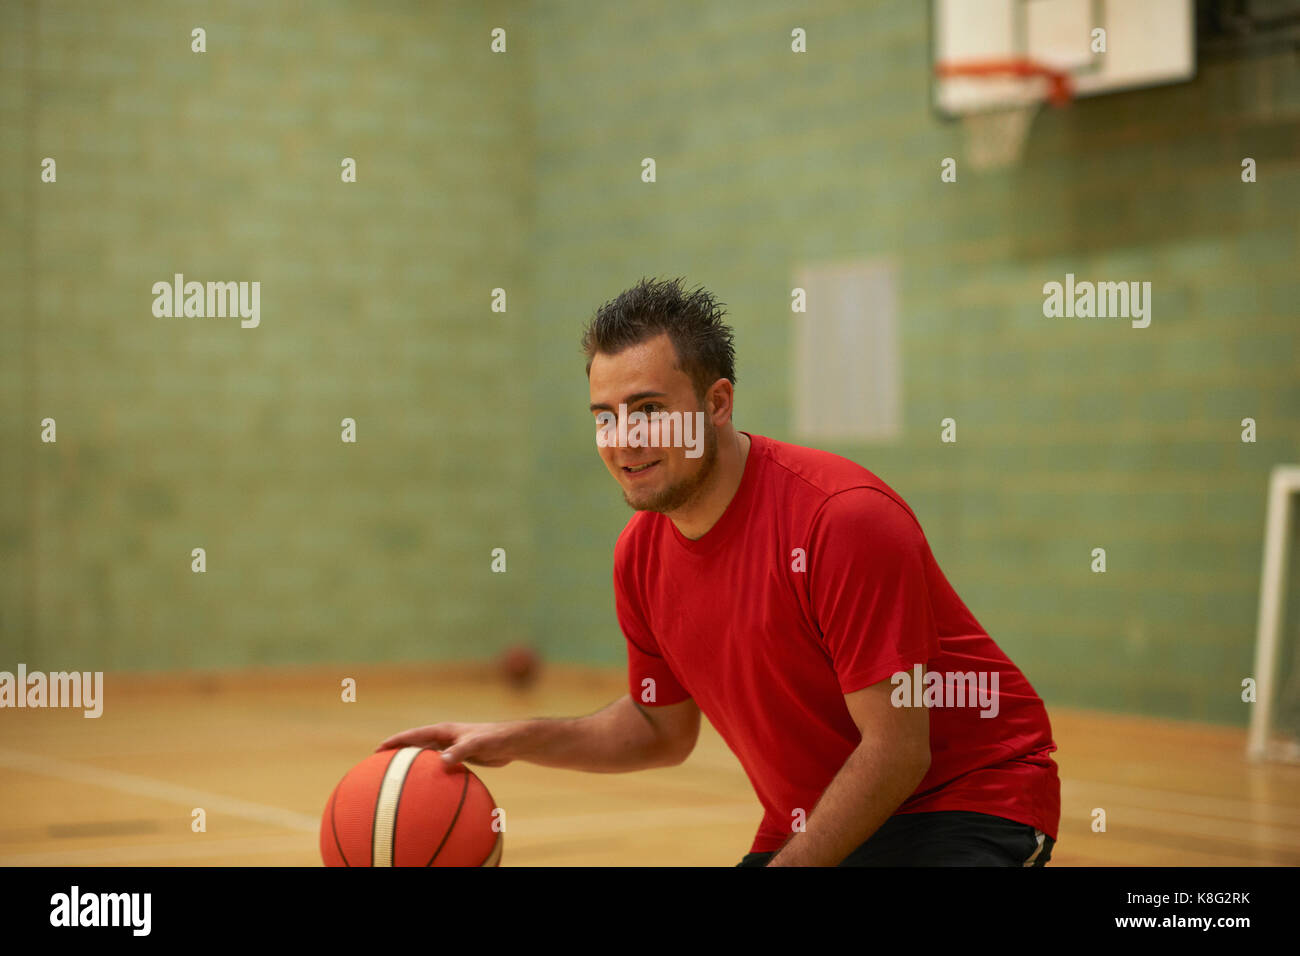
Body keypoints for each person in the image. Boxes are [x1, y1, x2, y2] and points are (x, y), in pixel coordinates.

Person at [379, 276, 1059, 866]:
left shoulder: (843, 520)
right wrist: (515, 738)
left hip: (967, 801)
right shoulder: (639, 554)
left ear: (717, 404)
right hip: (817, 815)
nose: (623, 442)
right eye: (605, 418)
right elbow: (660, 730)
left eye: (648, 411)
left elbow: (897, 752)